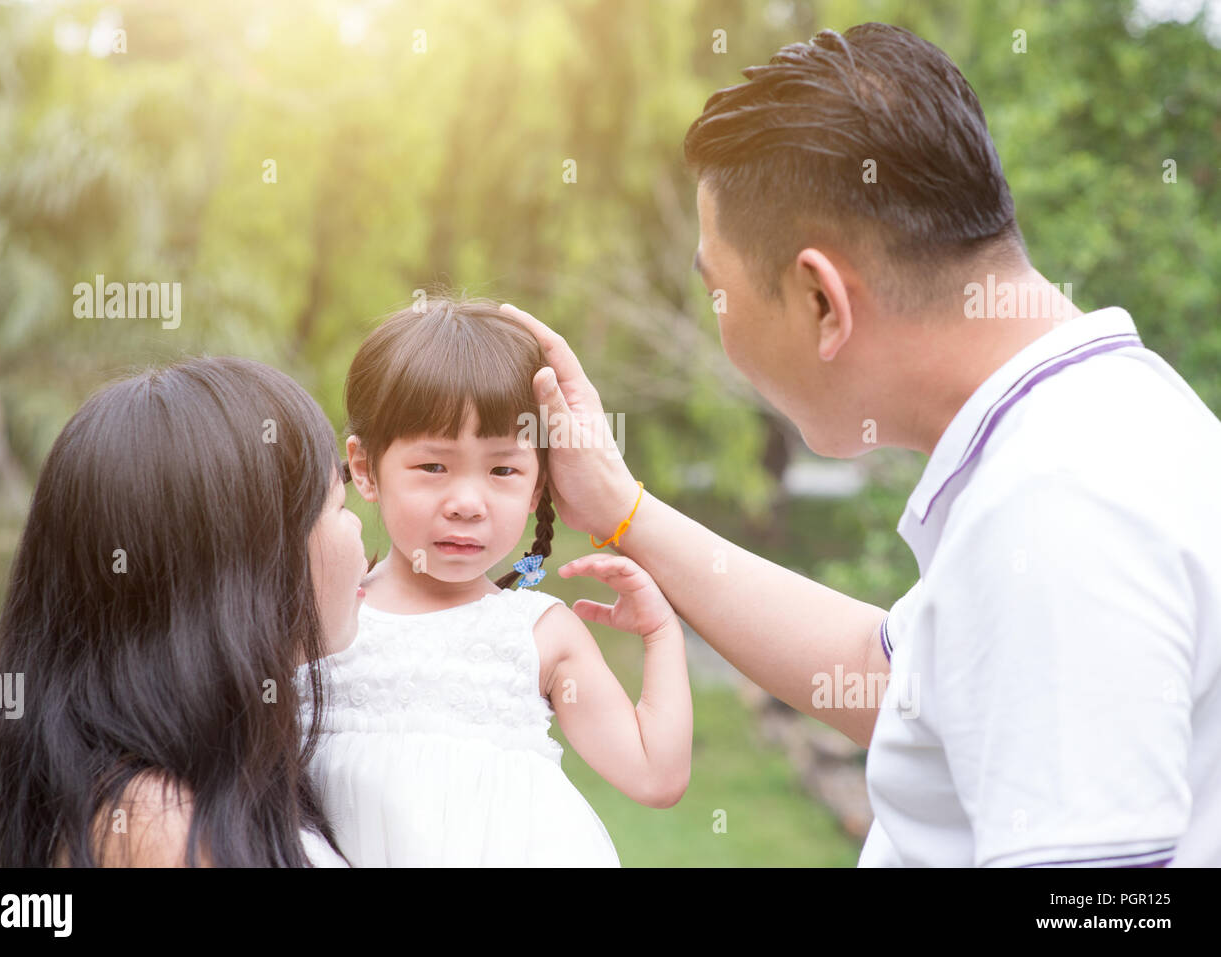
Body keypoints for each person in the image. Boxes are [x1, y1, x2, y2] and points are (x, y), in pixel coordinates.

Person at [500, 22, 1221, 867]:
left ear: (820, 300)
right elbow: (898, 686)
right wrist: (625, 512)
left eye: (721, 294)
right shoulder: (1101, 420)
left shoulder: (1056, 511)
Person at [299, 295, 691, 866]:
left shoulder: (537, 635)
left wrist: (661, 633)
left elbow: (655, 775)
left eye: (503, 470)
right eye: (433, 467)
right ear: (364, 468)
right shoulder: (322, 618)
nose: (467, 503)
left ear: (537, 487)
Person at [0, 356, 362, 866]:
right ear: (252, 570)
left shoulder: (205, 794)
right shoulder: (153, 825)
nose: (358, 531)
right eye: (340, 505)